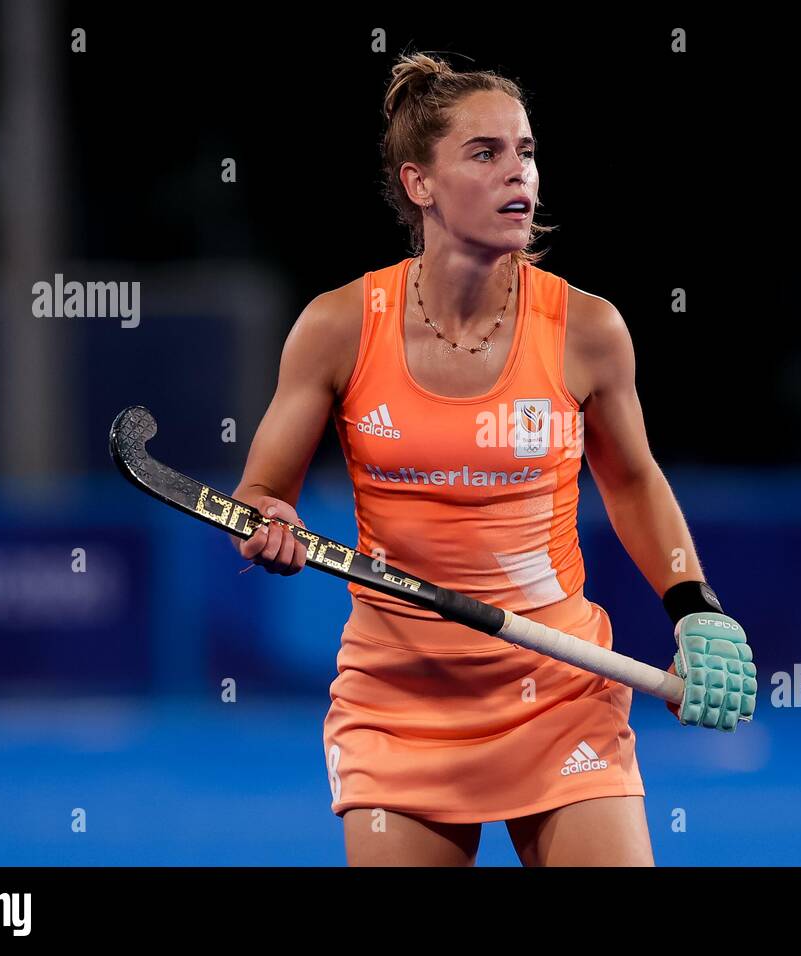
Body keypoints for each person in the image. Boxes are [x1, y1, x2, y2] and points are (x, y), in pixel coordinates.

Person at [231, 52, 755, 866]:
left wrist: (694, 603)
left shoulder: (588, 329)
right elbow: (264, 490)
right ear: (420, 184)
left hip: (558, 690)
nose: (521, 173)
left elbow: (630, 478)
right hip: (400, 700)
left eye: (527, 151)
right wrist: (269, 519)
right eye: (486, 153)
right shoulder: (338, 327)